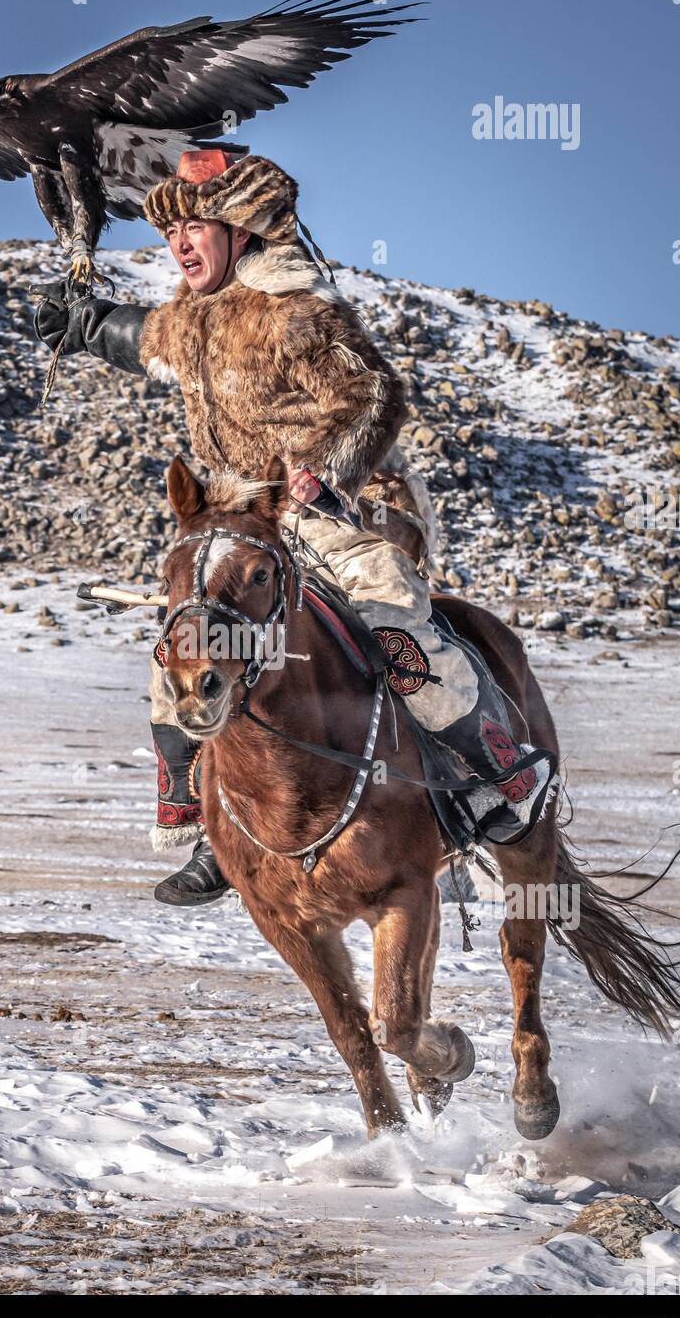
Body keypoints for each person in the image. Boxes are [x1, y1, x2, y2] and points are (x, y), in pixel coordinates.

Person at [34, 150, 554, 905]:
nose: (180, 241)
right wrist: (84, 326)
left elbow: (375, 395)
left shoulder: (295, 312)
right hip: (246, 517)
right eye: (170, 228)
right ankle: (207, 829)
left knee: (392, 618)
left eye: (196, 224)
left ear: (239, 230)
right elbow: (144, 342)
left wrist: (328, 470)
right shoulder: (185, 318)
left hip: (342, 502)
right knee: (180, 641)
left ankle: (497, 774)